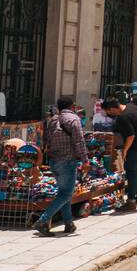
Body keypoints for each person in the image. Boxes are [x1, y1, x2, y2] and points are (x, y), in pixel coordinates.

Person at [35, 96, 87, 235]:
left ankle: (69, 223)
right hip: (67, 160)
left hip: (53, 161)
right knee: (66, 193)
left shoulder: (51, 121)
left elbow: (45, 140)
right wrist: (85, 160)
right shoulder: (74, 120)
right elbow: (79, 142)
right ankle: (43, 220)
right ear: (72, 106)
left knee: (63, 193)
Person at [103, 96, 137, 211]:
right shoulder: (132, 107)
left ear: (112, 108)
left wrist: (125, 150)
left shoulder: (123, 117)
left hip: (135, 147)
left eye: (108, 111)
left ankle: (131, 201)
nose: (108, 114)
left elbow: (131, 135)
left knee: (132, 173)